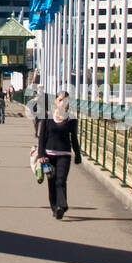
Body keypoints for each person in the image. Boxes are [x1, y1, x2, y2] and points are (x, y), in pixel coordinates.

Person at [37, 91, 82, 220]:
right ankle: (54, 207)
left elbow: (74, 138)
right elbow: (42, 138)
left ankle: (61, 206)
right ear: (56, 101)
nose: (63, 102)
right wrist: (41, 155)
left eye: (65, 100)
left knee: (60, 180)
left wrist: (77, 154)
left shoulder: (71, 119)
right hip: (48, 155)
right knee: (52, 182)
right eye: (60, 99)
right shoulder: (48, 117)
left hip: (64, 154)